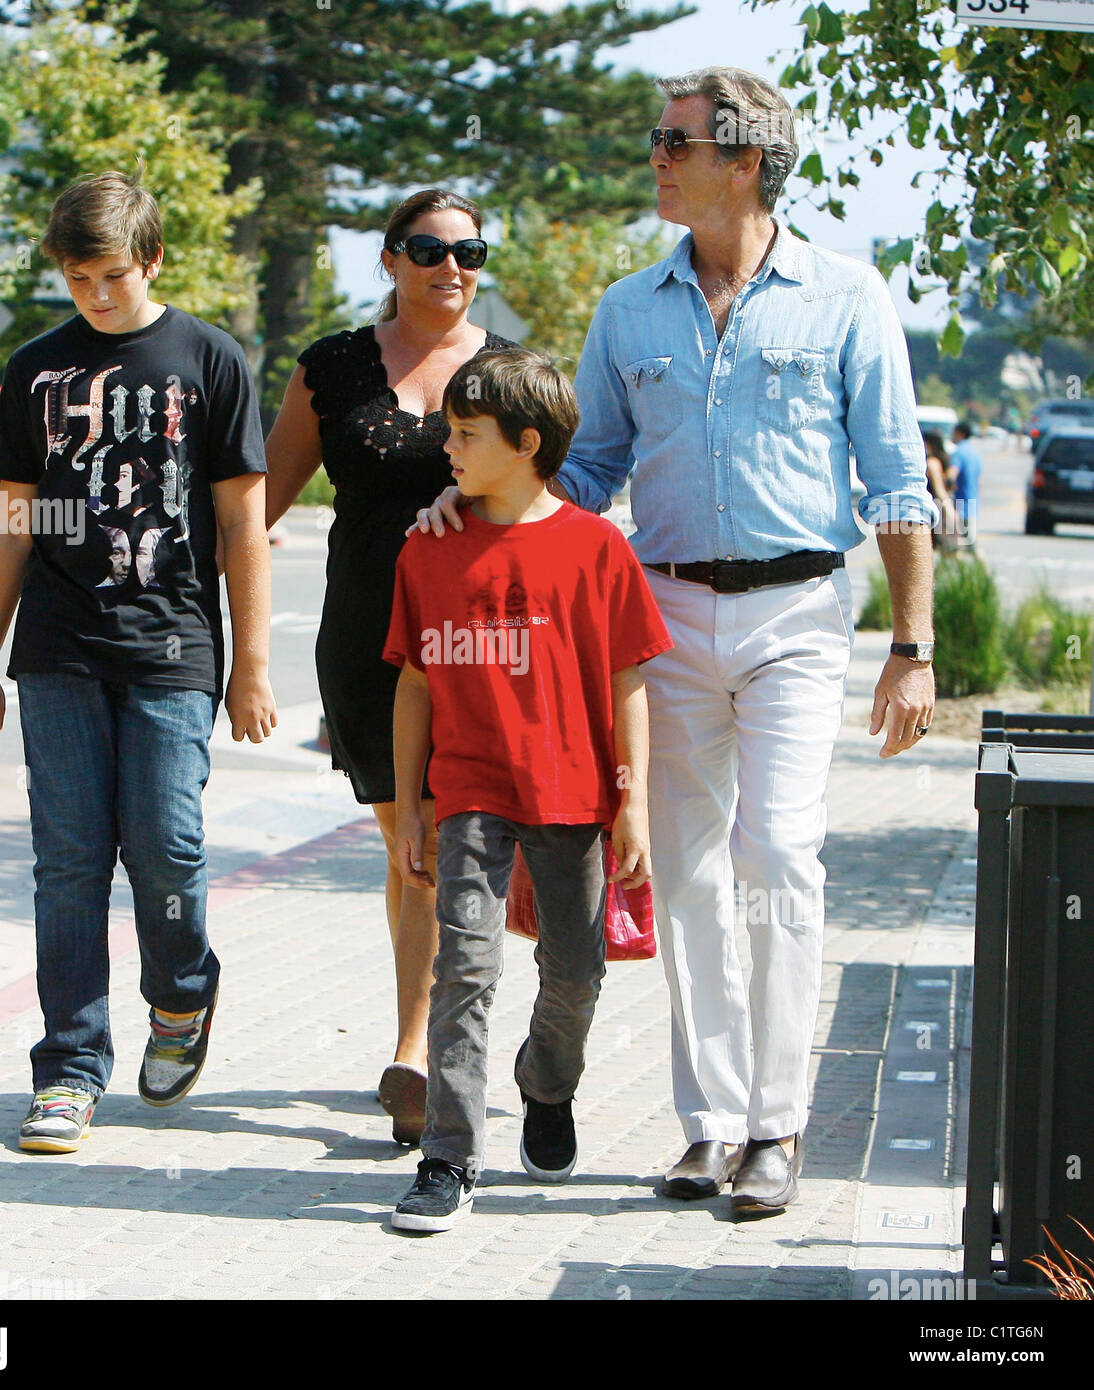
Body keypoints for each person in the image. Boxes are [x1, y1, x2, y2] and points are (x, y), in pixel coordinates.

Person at [417, 67, 937, 1218]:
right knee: (684, 871)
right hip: (662, 616)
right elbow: (587, 472)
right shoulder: (626, 310)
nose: (653, 154)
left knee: (778, 859)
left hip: (798, 615)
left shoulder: (846, 297)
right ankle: (707, 1127)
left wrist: (914, 645)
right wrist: (479, 501)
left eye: (674, 140)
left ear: (741, 160)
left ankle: (776, 1125)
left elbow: (896, 483)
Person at [0, 167, 275, 1153]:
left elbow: (240, 521)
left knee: (165, 843)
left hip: (173, 644)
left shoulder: (208, 359)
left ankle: (181, 998)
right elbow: (12, 524)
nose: (96, 294)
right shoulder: (35, 367)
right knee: (67, 862)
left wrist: (252, 663)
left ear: (152, 259)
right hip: (55, 648)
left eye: (111, 275)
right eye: (77, 277)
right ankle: (67, 1069)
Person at [385, 348, 671, 1231]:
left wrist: (636, 804)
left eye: (467, 435)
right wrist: (409, 807)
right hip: (468, 789)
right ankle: (449, 1155)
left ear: (528, 443)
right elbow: (416, 683)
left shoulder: (597, 549)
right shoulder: (429, 549)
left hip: (575, 793)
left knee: (577, 972)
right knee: (464, 966)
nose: (449, 450)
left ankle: (547, 1088)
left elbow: (629, 679)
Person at [262, 189, 516, 1146]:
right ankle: (426, 1043)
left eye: (469, 251)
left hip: (483, 641)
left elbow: (548, 505)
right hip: (369, 640)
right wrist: (201, 613)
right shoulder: (331, 367)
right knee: (408, 843)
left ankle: (422, 1048)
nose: (450, 266)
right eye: (428, 249)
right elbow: (264, 500)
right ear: (389, 260)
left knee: (454, 846)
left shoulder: (510, 372)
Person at [922, 430, 959, 553]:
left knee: (936, 548)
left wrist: (950, 511)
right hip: (940, 507)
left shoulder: (932, 463)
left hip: (935, 508)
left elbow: (939, 490)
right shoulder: (944, 461)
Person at [949, 420, 983, 546]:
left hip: (960, 505)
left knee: (956, 544)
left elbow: (952, 474)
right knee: (971, 542)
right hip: (973, 504)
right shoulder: (975, 453)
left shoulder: (959, 452)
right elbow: (979, 481)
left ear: (960, 434)